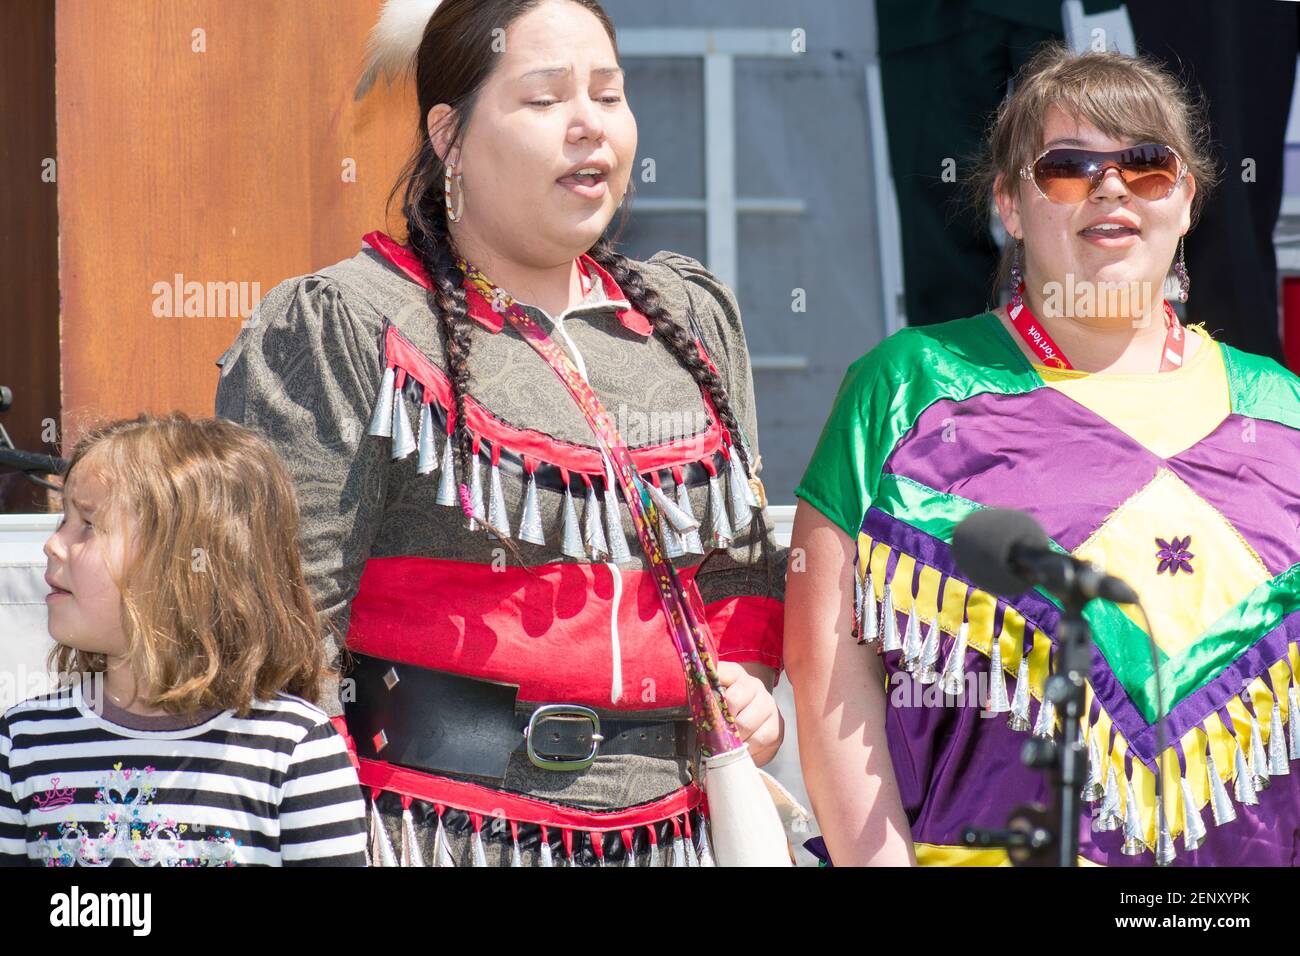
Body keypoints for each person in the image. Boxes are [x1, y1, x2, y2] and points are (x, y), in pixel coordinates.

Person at [215, 0, 786, 867]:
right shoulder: (350, 321)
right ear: (449, 137)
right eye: (546, 99)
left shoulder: (687, 320)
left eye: (609, 94)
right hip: (433, 832)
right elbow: (281, 630)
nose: (590, 126)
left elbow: (741, 568)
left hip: (679, 834)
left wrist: (744, 683)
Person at [787, 44, 1300, 866]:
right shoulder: (908, 386)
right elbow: (823, 674)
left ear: (1187, 200)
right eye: (1067, 167)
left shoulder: (1283, 412)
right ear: (1011, 205)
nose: (1109, 186)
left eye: (1145, 164)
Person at [0, 414, 367, 867]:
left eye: (89, 524)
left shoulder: (294, 752)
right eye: (63, 521)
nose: (53, 545)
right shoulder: (24, 741)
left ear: (188, 567)